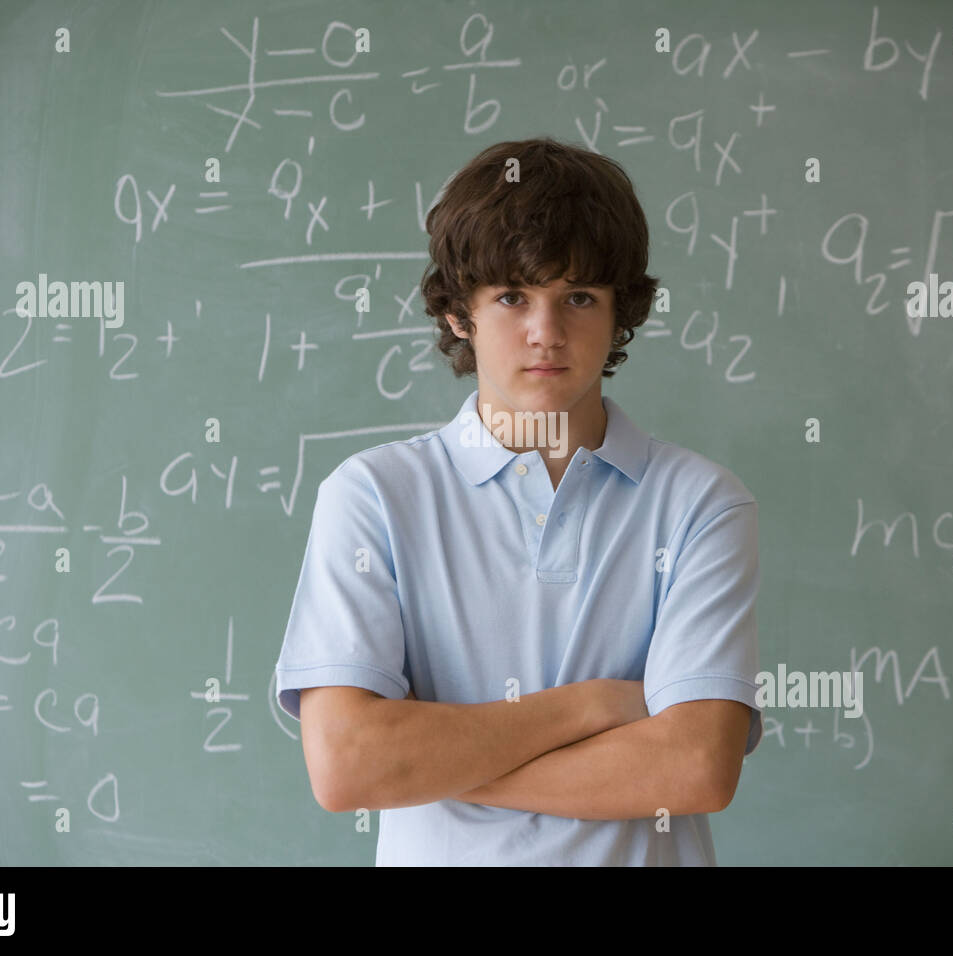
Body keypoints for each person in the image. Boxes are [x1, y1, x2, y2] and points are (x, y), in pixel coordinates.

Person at [274, 137, 762, 865]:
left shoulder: (701, 504)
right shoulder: (374, 496)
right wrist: (596, 707)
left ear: (620, 312)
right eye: (511, 296)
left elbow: (693, 768)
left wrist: (438, 764)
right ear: (456, 313)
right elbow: (349, 768)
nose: (547, 332)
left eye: (579, 297)